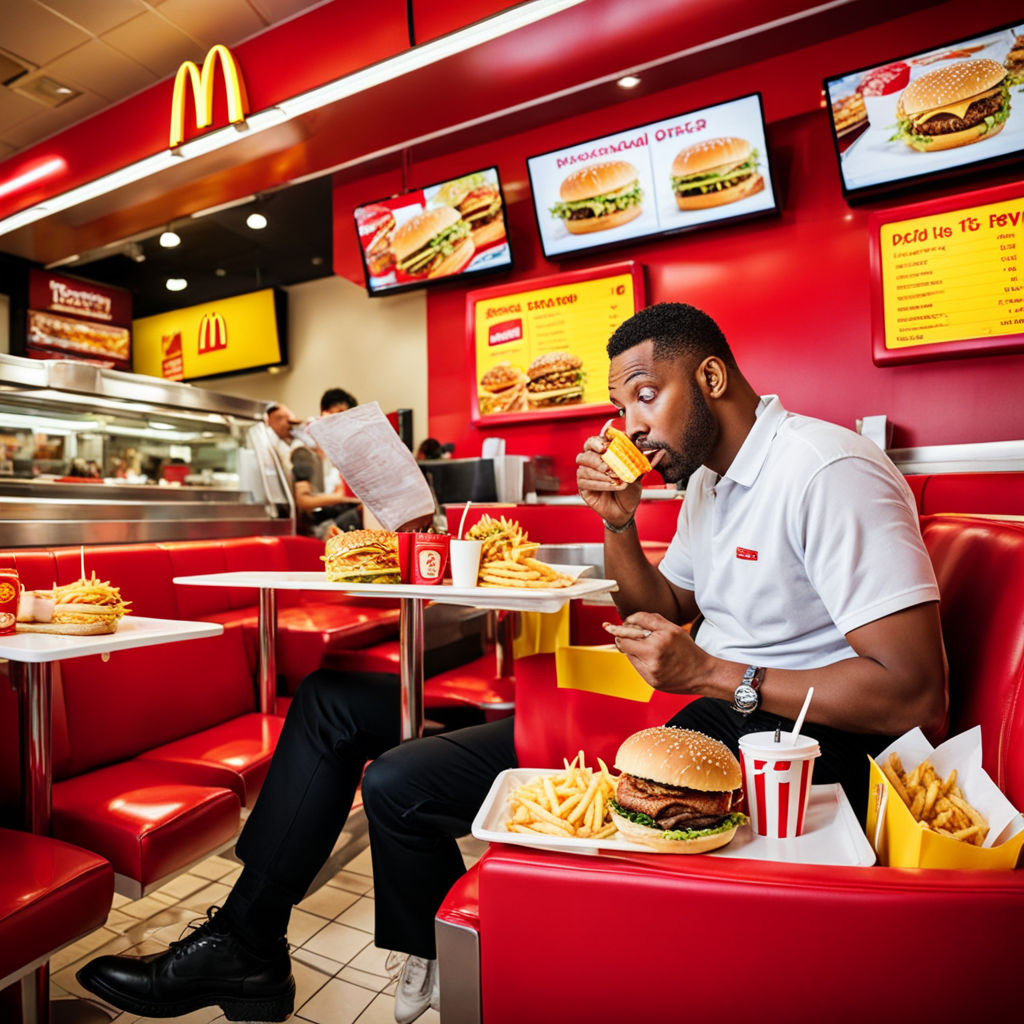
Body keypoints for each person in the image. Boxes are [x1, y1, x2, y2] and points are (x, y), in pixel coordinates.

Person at [77, 302, 947, 1023]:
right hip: (688, 714)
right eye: (622, 407)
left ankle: (441, 959)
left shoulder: (827, 469)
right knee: (336, 702)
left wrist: (715, 675)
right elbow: (661, 610)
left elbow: (913, 694)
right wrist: (616, 523)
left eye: (646, 396)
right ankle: (247, 945)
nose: (631, 425)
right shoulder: (711, 485)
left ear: (712, 378)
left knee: (399, 785)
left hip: (781, 748)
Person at [291, 388, 363, 537]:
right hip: (318, 525)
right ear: (325, 414)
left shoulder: (337, 450)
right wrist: (344, 496)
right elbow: (303, 502)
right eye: (339, 413)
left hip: (337, 515)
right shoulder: (304, 451)